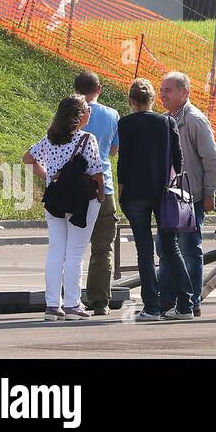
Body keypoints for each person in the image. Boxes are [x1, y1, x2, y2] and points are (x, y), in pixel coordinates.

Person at [116, 78, 195, 322]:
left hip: (135, 193)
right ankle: (186, 304)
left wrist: (121, 190)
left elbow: (123, 160)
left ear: (131, 101)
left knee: (144, 250)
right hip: (163, 193)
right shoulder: (167, 122)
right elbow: (178, 158)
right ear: (152, 100)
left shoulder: (126, 123)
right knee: (171, 248)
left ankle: (151, 306)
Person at [23, 94, 103, 321]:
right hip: (81, 201)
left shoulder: (50, 139)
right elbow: (97, 172)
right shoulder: (87, 139)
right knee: (75, 252)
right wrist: (100, 196)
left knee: (56, 251)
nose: (90, 112)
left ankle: (51, 305)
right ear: (78, 116)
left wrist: (48, 176)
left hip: (55, 200)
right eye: (87, 109)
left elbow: (28, 158)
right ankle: (72, 304)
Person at [157, 71, 216, 317]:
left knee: (189, 249)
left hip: (190, 196)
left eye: (169, 90)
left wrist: (209, 193)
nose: (163, 95)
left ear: (185, 93)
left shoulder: (194, 120)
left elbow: (213, 160)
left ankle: (192, 301)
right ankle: (169, 300)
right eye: (162, 90)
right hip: (168, 196)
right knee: (165, 250)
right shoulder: (164, 120)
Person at [74, 71, 120, 316]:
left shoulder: (68, 111)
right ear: (99, 88)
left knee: (71, 247)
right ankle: (99, 300)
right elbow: (113, 150)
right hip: (104, 187)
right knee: (103, 247)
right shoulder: (112, 114)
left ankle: (68, 297)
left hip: (73, 189)